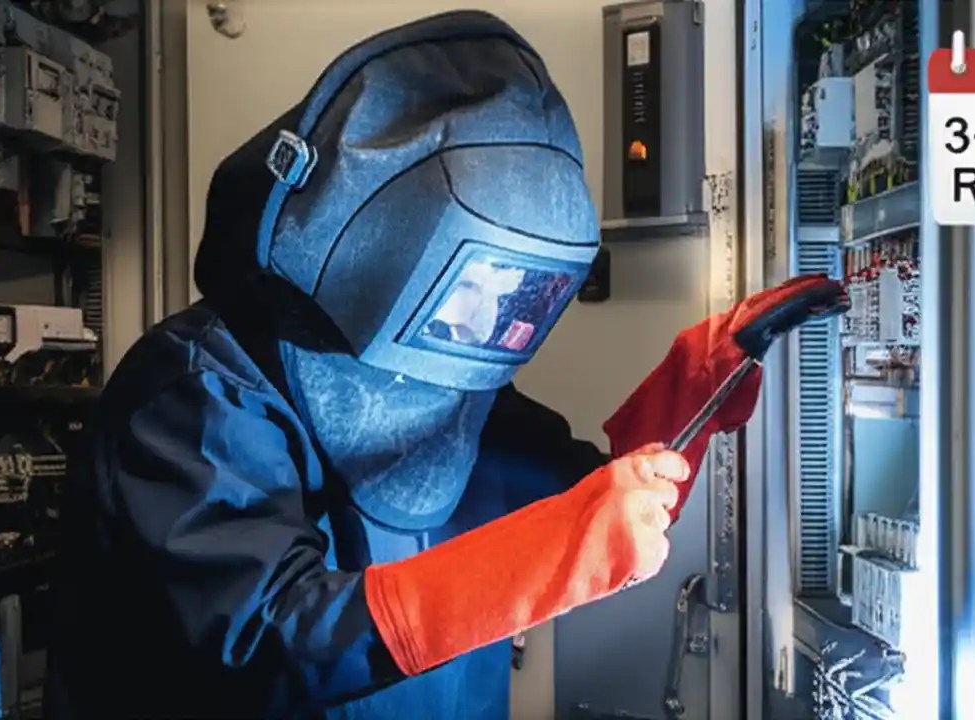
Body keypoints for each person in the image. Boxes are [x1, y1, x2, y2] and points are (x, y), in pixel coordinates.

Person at [47, 10, 845, 720]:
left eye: (518, 292)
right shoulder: (197, 390)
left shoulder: (456, 392)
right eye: (477, 283)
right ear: (384, 238)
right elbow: (260, 638)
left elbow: (585, 505)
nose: (488, 322)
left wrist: (687, 403)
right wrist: (552, 551)